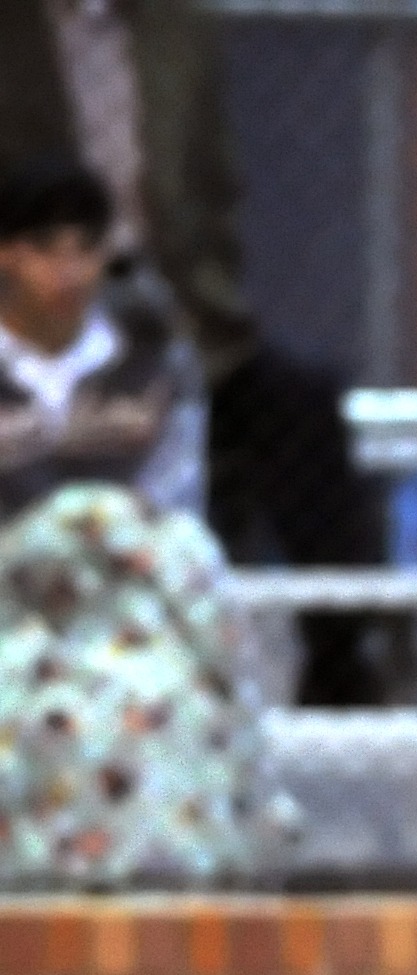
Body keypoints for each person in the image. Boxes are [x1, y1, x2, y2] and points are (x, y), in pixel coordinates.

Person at [0, 0, 385, 704]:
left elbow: (211, 179)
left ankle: (342, 660)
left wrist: (199, 294)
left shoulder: (174, 26)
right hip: (36, 302)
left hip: (175, 300)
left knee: (300, 404)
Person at [0, 156, 258, 885]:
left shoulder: (151, 363)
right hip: (9, 601)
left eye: (87, 247)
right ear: (6, 255)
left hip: (127, 600)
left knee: (163, 702)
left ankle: (168, 906)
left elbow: (171, 503)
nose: (71, 269)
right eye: (48, 248)